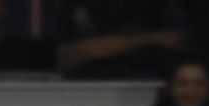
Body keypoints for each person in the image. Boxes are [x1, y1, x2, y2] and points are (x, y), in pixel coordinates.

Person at [55, 0, 185, 80]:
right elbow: (60, 57)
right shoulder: (72, 5)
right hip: (87, 89)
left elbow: (176, 38)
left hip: (147, 86)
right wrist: (150, 38)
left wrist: (117, 44)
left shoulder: (160, 5)